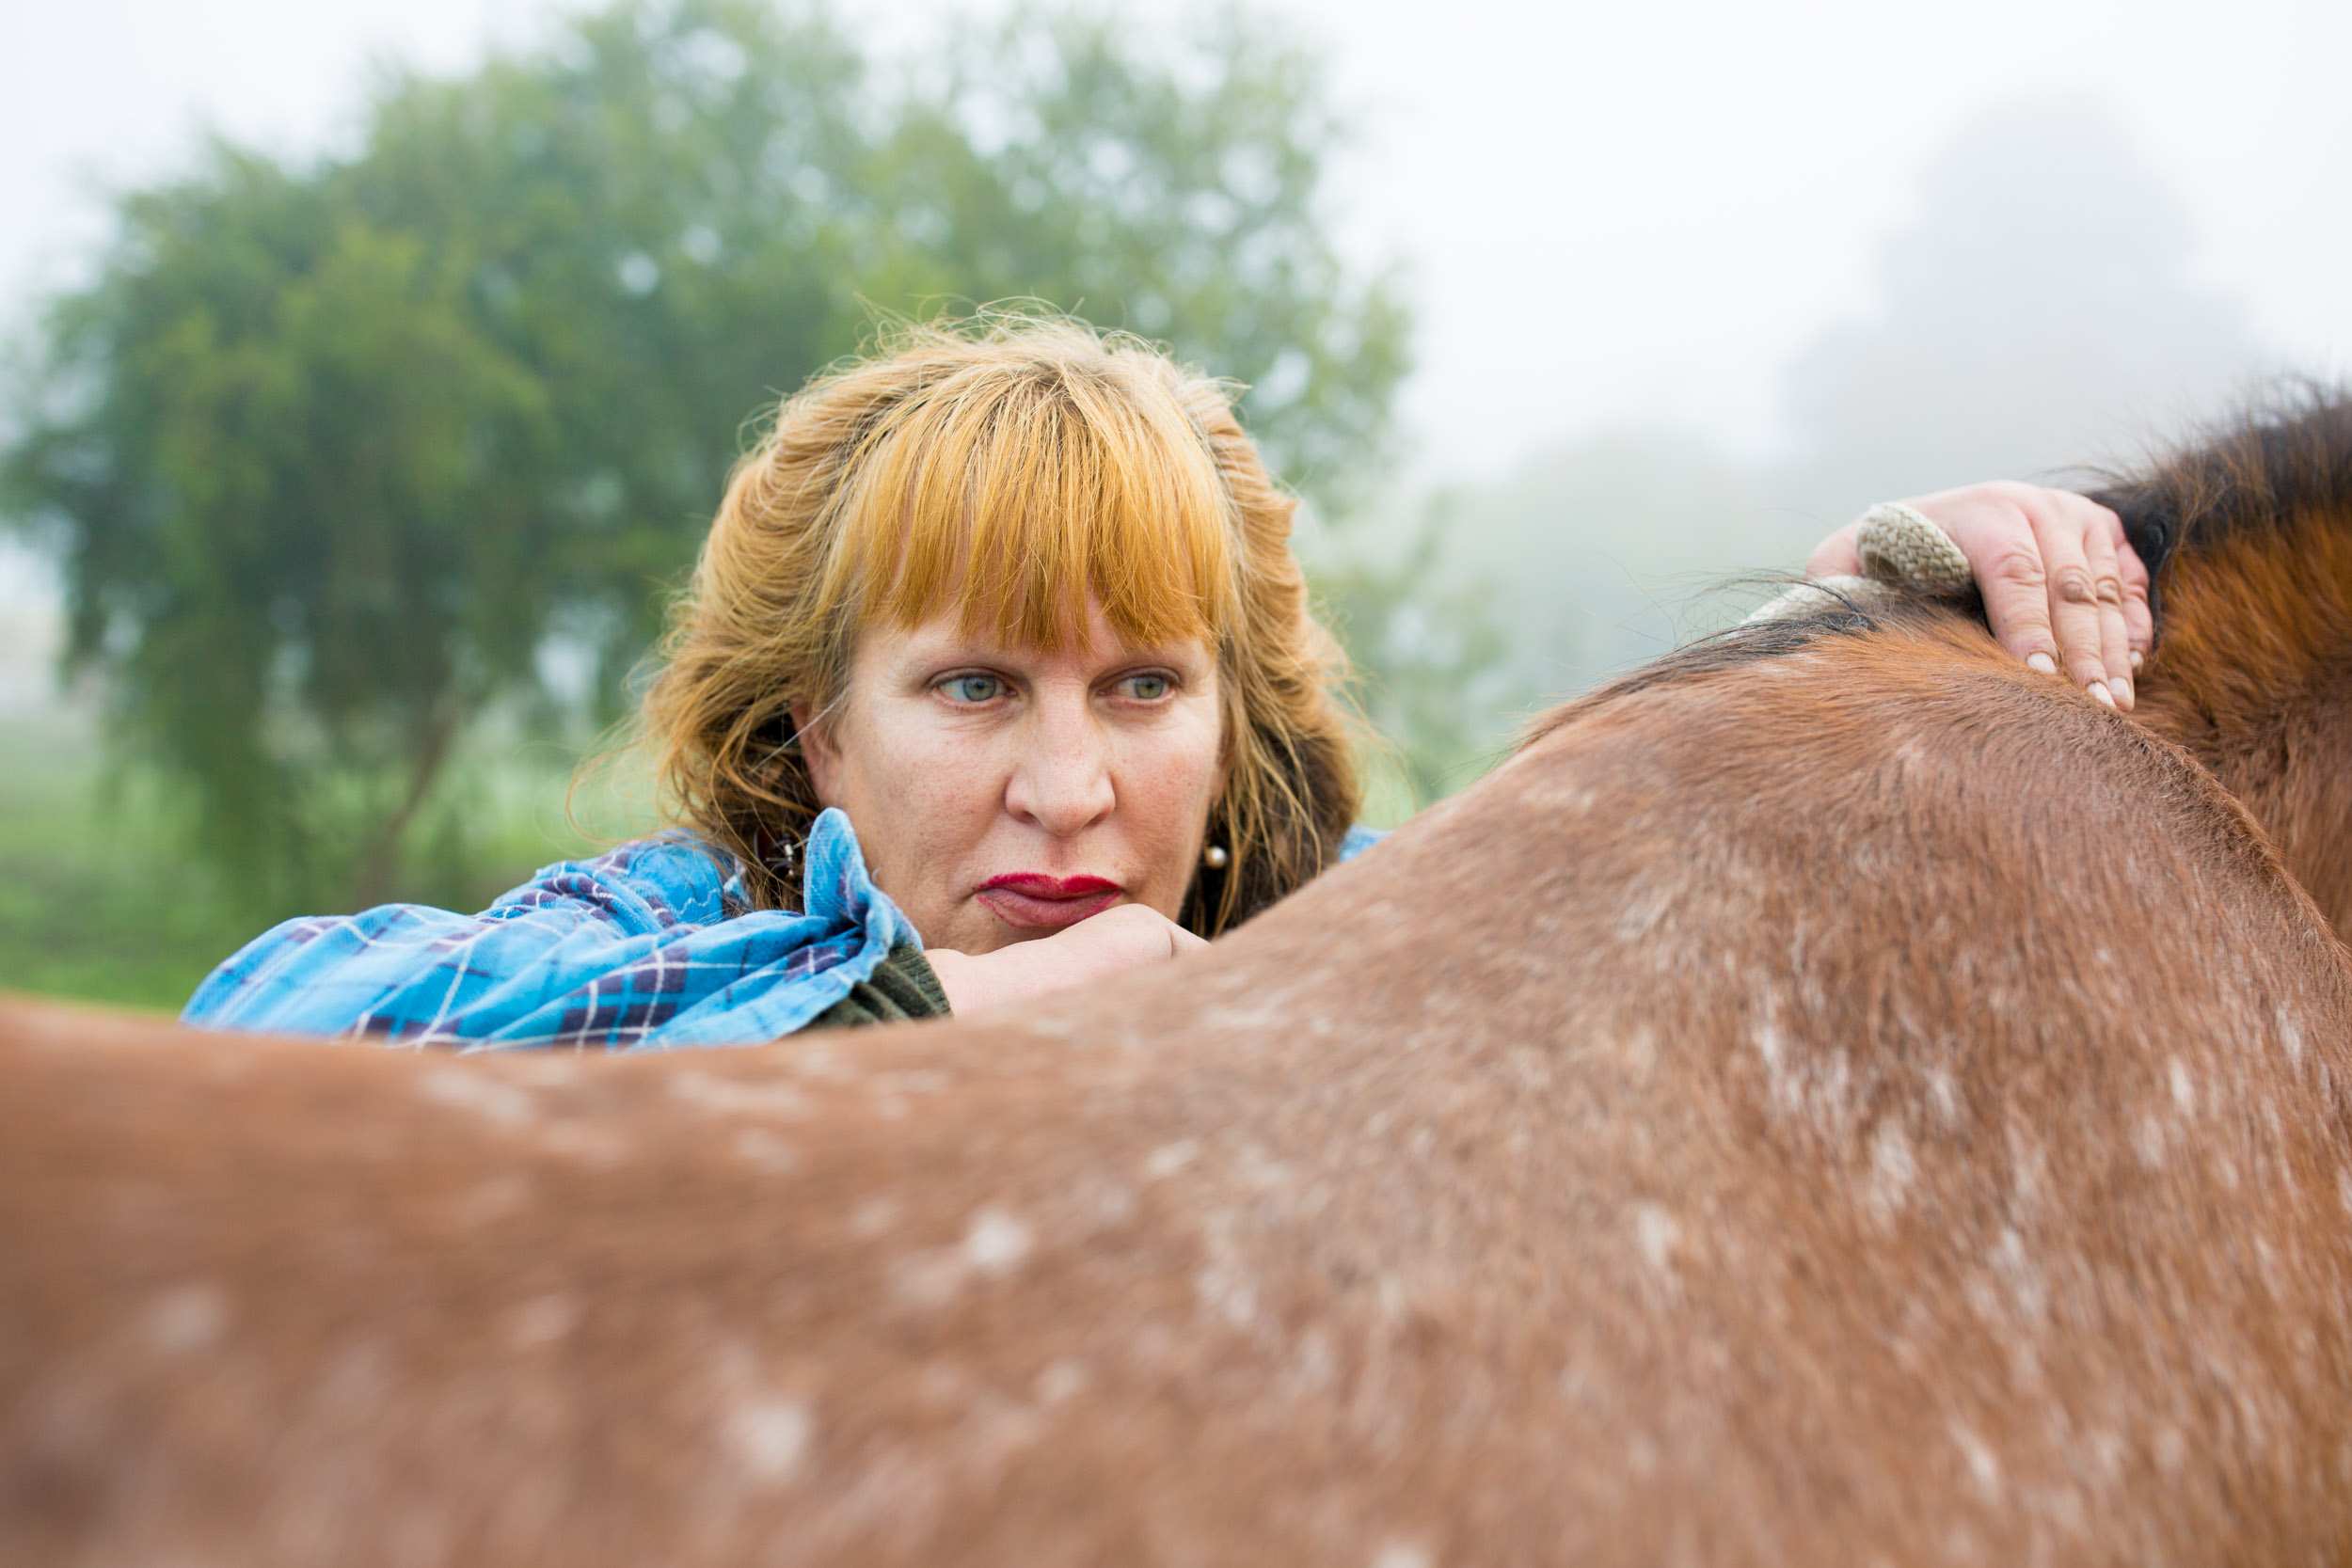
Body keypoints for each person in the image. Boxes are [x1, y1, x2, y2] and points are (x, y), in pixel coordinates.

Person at [181, 313, 2153, 1048]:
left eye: (1139, 689)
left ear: (1229, 715)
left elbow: (1703, 934)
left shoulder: (1352, 929)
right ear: (817, 730)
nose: (1067, 789)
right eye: (971, 689)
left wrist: (1884, 617)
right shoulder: (697, 923)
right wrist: (901, 999)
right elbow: (256, 1034)